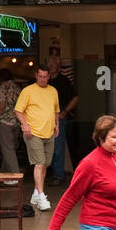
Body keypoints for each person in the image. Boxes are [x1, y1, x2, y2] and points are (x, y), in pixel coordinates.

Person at [14, 64, 60, 212]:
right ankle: (41, 196)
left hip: (49, 133)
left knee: (45, 165)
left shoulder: (53, 91)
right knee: (39, 164)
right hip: (33, 133)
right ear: (36, 76)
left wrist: (57, 125)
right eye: (40, 76)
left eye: (45, 76)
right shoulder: (28, 91)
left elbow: (56, 111)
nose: (42, 79)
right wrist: (25, 125)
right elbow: (18, 111)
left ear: (49, 76)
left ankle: (35, 193)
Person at [46, 58, 78, 186]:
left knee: (58, 148)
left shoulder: (63, 81)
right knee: (46, 148)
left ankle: (59, 175)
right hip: (43, 120)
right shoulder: (44, 81)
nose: (51, 66)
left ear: (59, 66)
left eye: (53, 64)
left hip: (58, 119)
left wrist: (64, 112)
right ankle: (54, 173)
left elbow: (75, 98)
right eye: (49, 64)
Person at [0, 68, 22, 174]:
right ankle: (4, 175)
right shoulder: (17, 87)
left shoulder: (3, 87)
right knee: (8, 150)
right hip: (16, 122)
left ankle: (16, 176)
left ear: (0, 77)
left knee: (8, 150)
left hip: (4, 122)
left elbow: (1, 105)